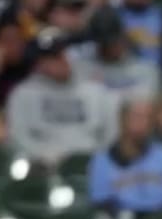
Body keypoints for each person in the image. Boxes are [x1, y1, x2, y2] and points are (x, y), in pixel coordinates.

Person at [6, 28, 118, 167]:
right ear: (39, 64)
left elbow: (111, 133)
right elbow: (18, 137)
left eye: (63, 53)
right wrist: (41, 155)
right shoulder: (23, 94)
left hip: (91, 164)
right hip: (45, 167)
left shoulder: (95, 91)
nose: (62, 60)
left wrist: (99, 158)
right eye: (53, 57)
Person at [87, 96, 162, 214]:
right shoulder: (103, 160)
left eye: (148, 118)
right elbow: (101, 203)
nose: (144, 123)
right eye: (137, 117)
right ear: (122, 119)